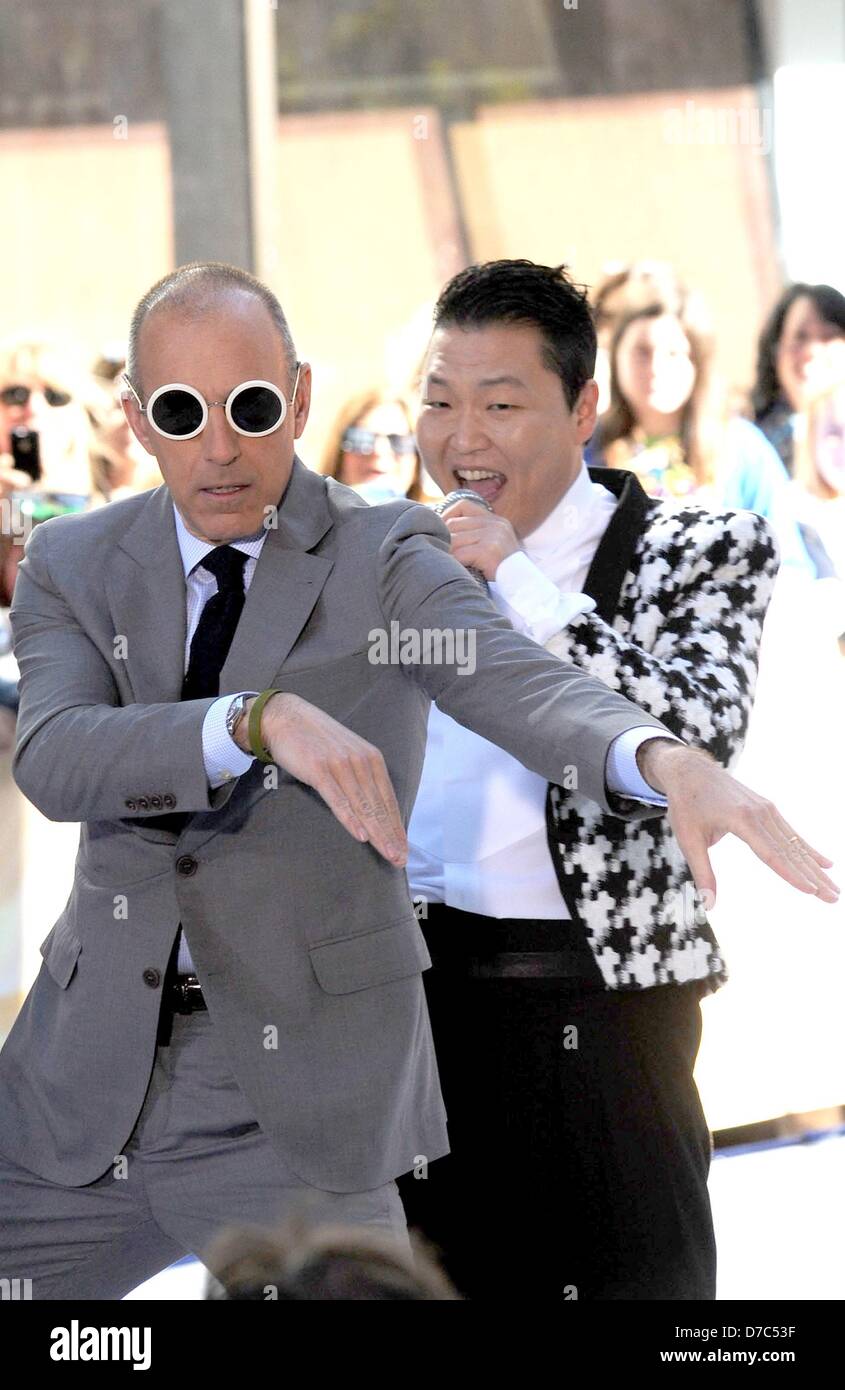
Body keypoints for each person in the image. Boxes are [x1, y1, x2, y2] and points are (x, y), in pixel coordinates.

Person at [0, 262, 835, 1302]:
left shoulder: (384, 545)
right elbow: (60, 752)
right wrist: (251, 722)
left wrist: (656, 759)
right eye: (181, 411)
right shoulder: (72, 560)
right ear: (135, 417)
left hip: (301, 1098)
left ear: (300, 398)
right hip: (73, 1091)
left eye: (251, 409)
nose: (218, 446)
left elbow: (510, 676)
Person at [397, 258, 835, 1301]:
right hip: (417, 1005)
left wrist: (516, 578)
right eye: (439, 401)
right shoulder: (387, 553)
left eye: (501, 404)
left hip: (606, 1009)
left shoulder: (700, 545)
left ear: (583, 405)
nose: (462, 438)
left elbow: (690, 727)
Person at [586, 297, 815, 575]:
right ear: (617, 356)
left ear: (698, 361)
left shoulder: (740, 445)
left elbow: (787, 561)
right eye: (642, 352)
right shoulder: (586, 448)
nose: (656, 367)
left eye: (673, 354)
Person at [752, 282, 845, 475]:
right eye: (800, 337)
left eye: (828, 336)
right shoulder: (751, 448)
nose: (811, 352)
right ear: (776, 350)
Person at [317, 388, 430, 503]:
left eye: (399, 441)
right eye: (361, 438)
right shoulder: (305, 516)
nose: (379, 450)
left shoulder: (438, 519)